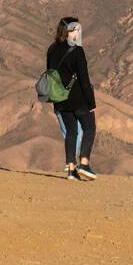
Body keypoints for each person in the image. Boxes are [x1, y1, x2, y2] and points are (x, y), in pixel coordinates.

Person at [46, 17, 97, 180]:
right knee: (89, 127)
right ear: (69, 31)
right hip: (78, 98)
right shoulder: (76, 50)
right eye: (76, 30)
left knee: (71, 133)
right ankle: (84, 163)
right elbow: (84, 78)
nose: (78, 32)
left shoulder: (52, 49)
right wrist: (91, 101)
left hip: (60, 98)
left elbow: (50, 73)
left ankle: (71, 170)